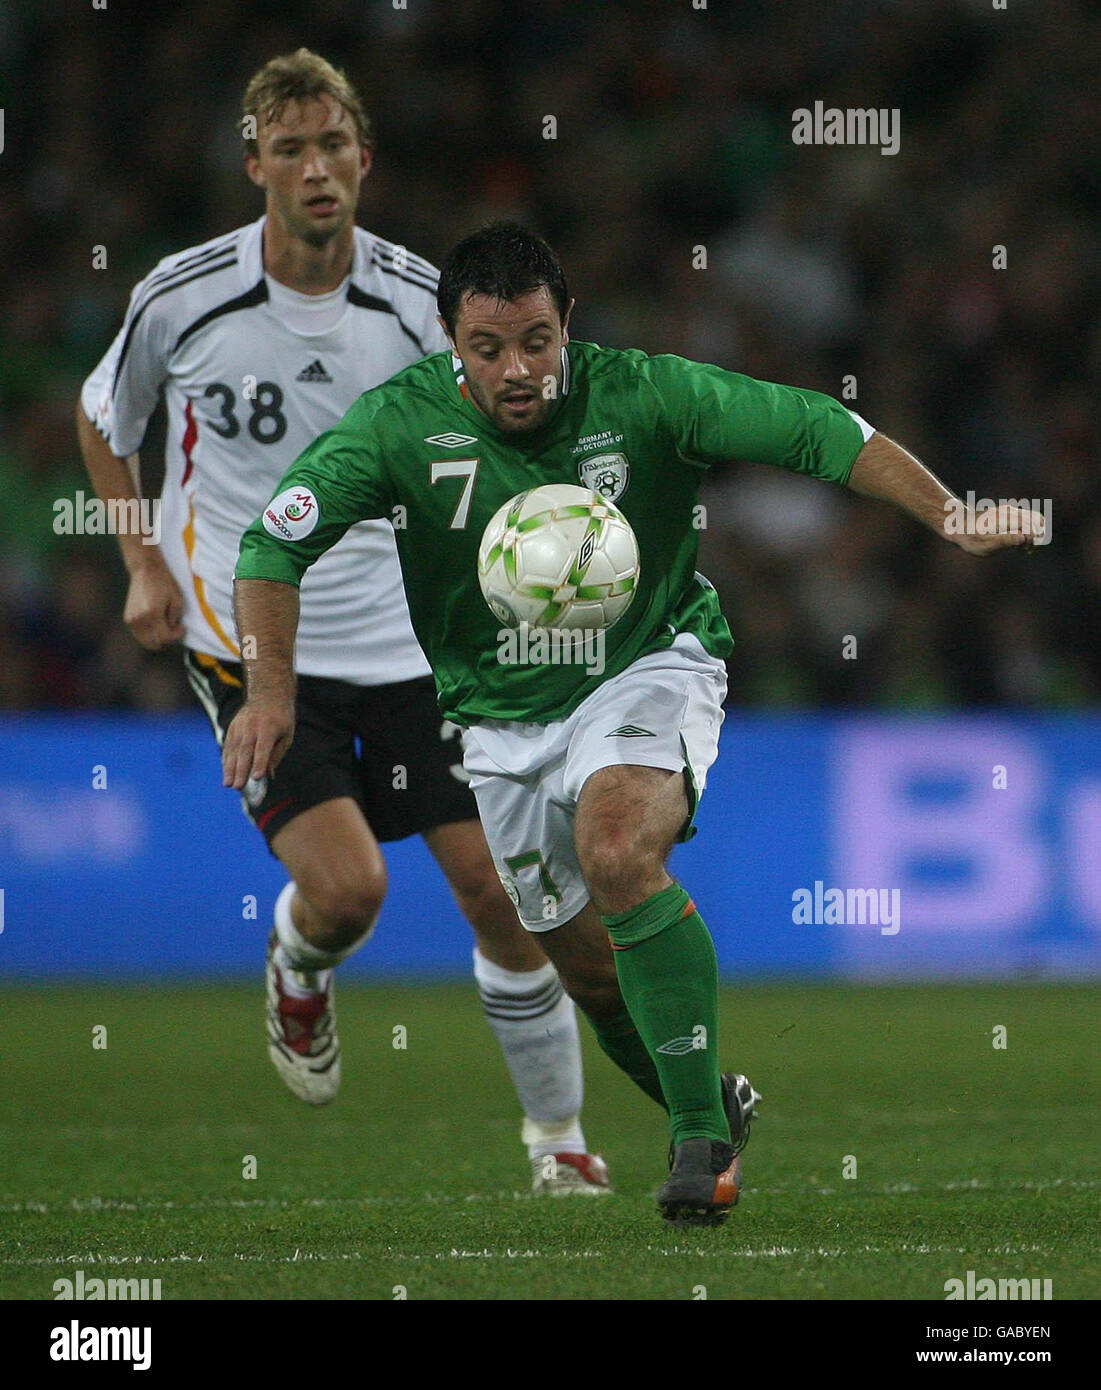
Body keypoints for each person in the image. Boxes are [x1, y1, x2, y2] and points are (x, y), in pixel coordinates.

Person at [225, 221, 1045, 1225]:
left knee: (616, 849)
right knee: (588, 974)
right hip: (498, 724)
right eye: (488, 348)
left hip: (646, 664)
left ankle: (699, 1145)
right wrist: (270, 693)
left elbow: (818, 429)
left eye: (536, 341)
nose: (516, 370)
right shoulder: (397, 425)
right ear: (450, 340)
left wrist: (949, 513)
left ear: (568, 322)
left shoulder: (647, 394)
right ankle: (708, 1098)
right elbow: (272, 544)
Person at [75, 53, 613, 1196]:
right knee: (351, 889)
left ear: (364, 159)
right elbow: (102, 417)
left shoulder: (422, 305)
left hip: (411, 641)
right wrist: (140, 562)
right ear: (254, 166)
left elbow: (501, 432)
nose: (315, 169)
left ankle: (559, 1142)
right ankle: (299, 964)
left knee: (501, 890)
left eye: (333, 147)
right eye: (290, 149)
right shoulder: (181, 296)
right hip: (252, 636)